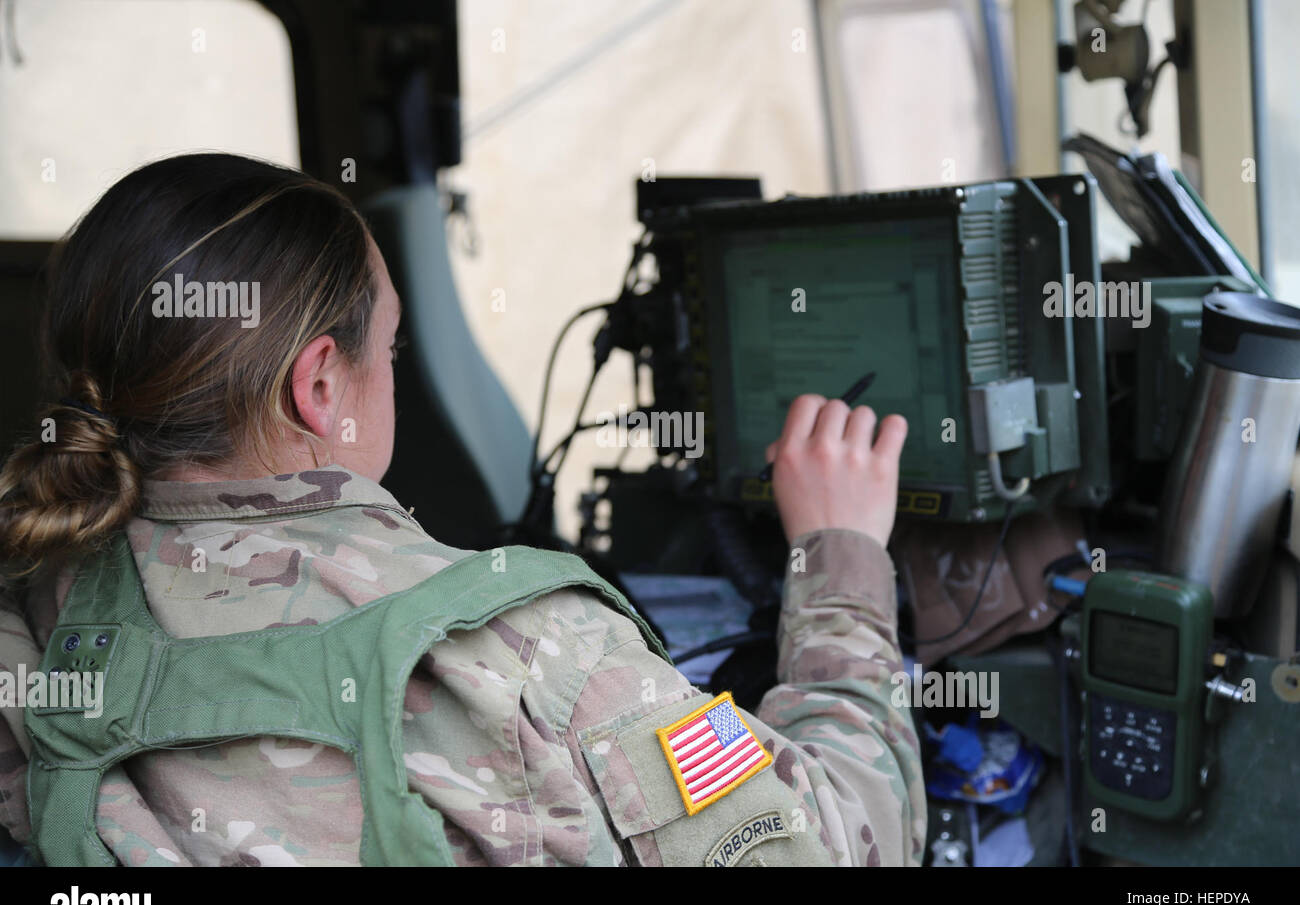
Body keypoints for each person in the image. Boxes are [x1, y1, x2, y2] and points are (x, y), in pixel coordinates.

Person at [0, 153, 924, 866]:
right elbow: (841, 842)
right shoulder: (536, 649)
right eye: (391, 350)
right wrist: (837, 556)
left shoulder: (34, 612)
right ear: (320, 384)